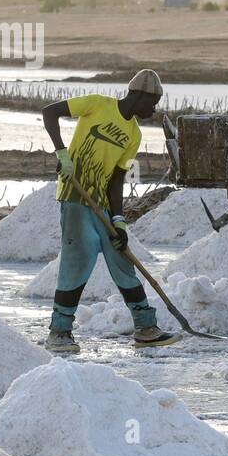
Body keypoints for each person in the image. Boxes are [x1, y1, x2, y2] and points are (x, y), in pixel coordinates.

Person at [41, 69, 180, 353]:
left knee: (122, 259)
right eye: (152, 103)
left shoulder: (133, 134)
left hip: (102, 205)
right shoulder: (97, 104)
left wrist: (119, 220)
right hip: (75, 196)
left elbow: (117, 178)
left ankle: (145, 328)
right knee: (77, 261)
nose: (154, 109)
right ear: (139, 95)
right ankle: (59, 331)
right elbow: (49, 112)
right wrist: (61, 153)